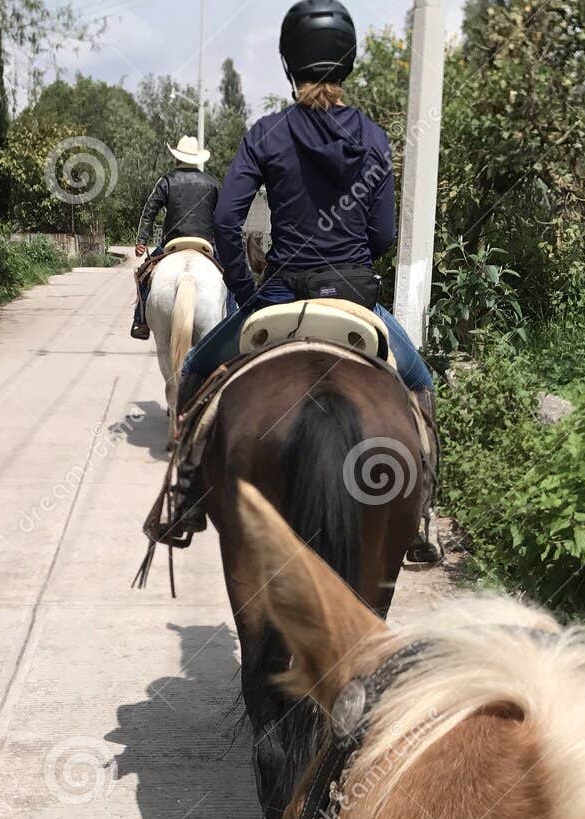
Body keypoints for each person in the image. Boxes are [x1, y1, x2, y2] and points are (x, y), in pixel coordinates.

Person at [180, 0, 440, 563]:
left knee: (192, 368)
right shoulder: (372, 137)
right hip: (354, 301)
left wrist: (249, 295)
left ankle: (185, 499)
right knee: (421, 383)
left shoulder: (266, 134)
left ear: (288, 63)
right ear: (348, 61)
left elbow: (227, 219)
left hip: (277, 297)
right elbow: (384, 234)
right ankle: (420, 517)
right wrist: (352, 268)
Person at [130, 135, 219, 341]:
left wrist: (142, 240)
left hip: (173, 244)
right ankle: (233, 316)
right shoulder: (212, 183)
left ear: (177, 158)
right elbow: (223, 217)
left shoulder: (167, 181)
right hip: (206, 244)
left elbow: (149, 211)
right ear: (197, 159)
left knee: (143, 275)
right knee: (230, 276)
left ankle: (140, 321)